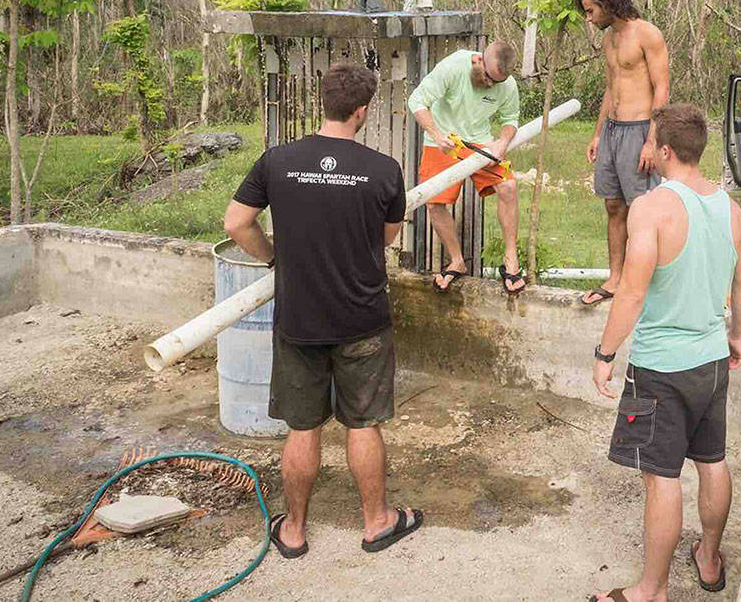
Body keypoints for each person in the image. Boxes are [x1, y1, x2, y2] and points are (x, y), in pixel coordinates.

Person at [223, 61, 424, 559]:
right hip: (362, 321)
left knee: (302, 427)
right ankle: (376, 523)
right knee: (362, 424)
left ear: (323, 103)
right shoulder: (384, 170)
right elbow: (385, 238)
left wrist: (274, 256)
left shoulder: (277, 161)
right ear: (362, 111)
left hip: (299, 320)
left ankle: (293, 531)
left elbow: (236, 223)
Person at [589, 104, 741, 602]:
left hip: (661, 369)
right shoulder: (731, 209)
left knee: (661, 477)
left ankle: (651, 590)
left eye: (651, 143)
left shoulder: (653, 207)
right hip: (710, 362)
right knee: (712, 461)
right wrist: (738, 335)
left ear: (664, 151)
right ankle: (708, 557)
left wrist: (605, 352)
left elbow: (633, 293)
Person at [579, 0, 671, 307]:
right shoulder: (609, 40)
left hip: (639, 130)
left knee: (641, 210)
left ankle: (644, 281)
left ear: (607, 2)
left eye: (591, 11)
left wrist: (652, 139)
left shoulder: (647, 34)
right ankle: (616, 278)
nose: (589, 19)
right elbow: (610, 88)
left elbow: (661, 88)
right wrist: (598, 133)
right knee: (613, 206)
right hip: (613, 130)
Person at [407, 41, 525, 295]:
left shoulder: (508, 85)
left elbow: (510, 119)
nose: (491, 85)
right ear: (478, 60)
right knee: (434, 202)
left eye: (497, 82)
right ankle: (457, 260)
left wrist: (502, 143)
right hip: (442, 142)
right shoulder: (452, 66)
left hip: (480, 143)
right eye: (488, 78)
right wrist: (437, 134)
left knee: (508, 186)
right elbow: (417, 101)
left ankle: (511, 259)